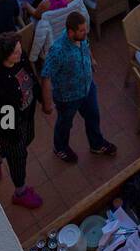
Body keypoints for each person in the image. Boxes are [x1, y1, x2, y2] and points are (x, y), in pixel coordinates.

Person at [40, 11, 117, 163]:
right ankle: (60, 148)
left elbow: (86, 46)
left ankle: (96, 144)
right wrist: (47, 104)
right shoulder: (58, 51)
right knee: (65, 124)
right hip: (68, 97)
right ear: (70, 32)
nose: (86, 32)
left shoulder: (81, 36)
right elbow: (46, 76)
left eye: (85, 29)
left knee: (93, 116)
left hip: (88, 88)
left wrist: (92, 60)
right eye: (82, 30)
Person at [0, 31, 42, 209]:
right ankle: (20, 192)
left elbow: (31, 76)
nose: (20, 53)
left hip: (26, 116)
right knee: (18, 157)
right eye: (16, 51)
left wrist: (40, 98)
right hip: (10, 127)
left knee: (28, 139)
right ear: (5, 56)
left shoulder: (20, 60)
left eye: (19, 49)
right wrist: (11, 136)